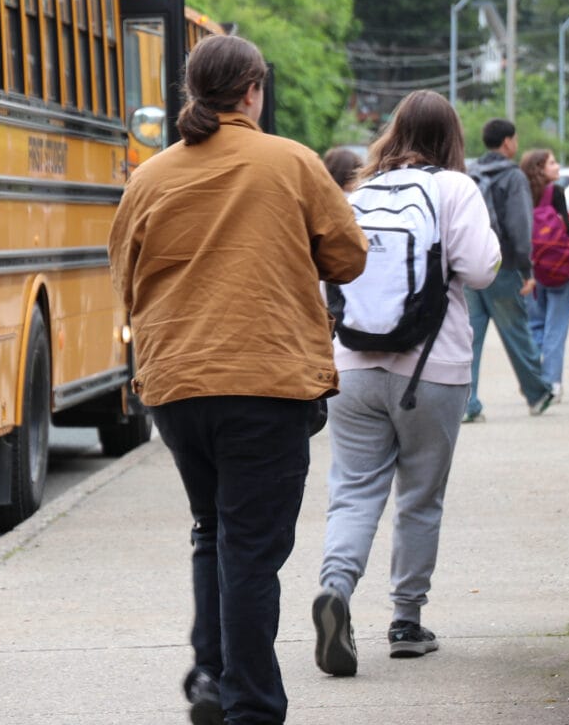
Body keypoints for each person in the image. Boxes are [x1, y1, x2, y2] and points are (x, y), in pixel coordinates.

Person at [108, 35, 366, 725]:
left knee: (213, 528)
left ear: (192, 92)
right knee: (250, 547)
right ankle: (249, 705)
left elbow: (124, 279)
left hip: (177, 384)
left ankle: (211, 678)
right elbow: (349, 257)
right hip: (265, 380)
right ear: (253, 91)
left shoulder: (150, 177)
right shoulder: (292, 162)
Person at [312, 91, 500, 677]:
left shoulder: (358, 193)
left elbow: (327, 283)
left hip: (354, 367)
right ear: (452, 138)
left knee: (353, 490)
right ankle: (405, 621)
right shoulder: (454, 189)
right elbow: (481, 269)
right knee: (419, 497)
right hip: (432, 371)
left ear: (393, 132)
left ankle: (336, 588)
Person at [463, 119, 554, 422]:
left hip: (471, 264)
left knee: (470, 337)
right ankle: (537, 393)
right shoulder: (513, 177)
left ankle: (466, 403)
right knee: (516, 330)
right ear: (507, 142)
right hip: (503, 264)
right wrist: (527, 270)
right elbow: (520, 226)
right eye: (514, 139)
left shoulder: (471, 173)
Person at [519, 148, 569, 401]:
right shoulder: (556, 192)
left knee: (535, 324)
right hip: (559, 268)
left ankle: (533, 380)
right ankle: (552, 382)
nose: (557, 166)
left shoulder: (522, 192)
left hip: (532, 267)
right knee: (556, 326)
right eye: (552, 163)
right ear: (539, 168)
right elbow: (567, 228)